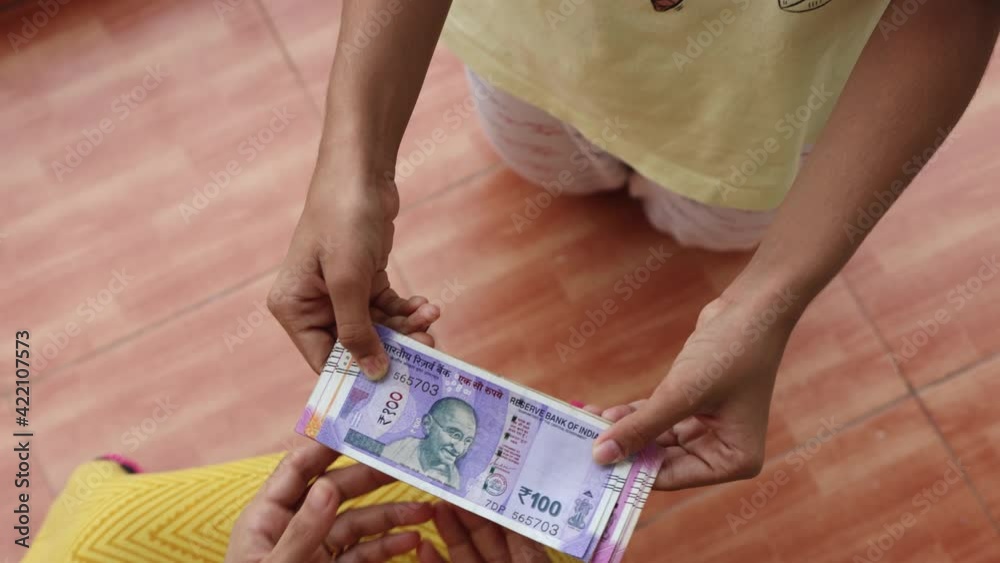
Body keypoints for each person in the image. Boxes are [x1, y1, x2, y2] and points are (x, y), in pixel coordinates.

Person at [269, 0, 1000, 491]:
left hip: (766, 118)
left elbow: (955, 11)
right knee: (546, 164)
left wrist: (766, 302)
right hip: (537, 61)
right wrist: (354, 164)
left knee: (706, 224)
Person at [382, 397, 478, 489]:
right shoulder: (397, 450)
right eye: (454, 435)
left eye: (467, 441)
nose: (459, 449)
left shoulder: (453, 480)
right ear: (427, 424)